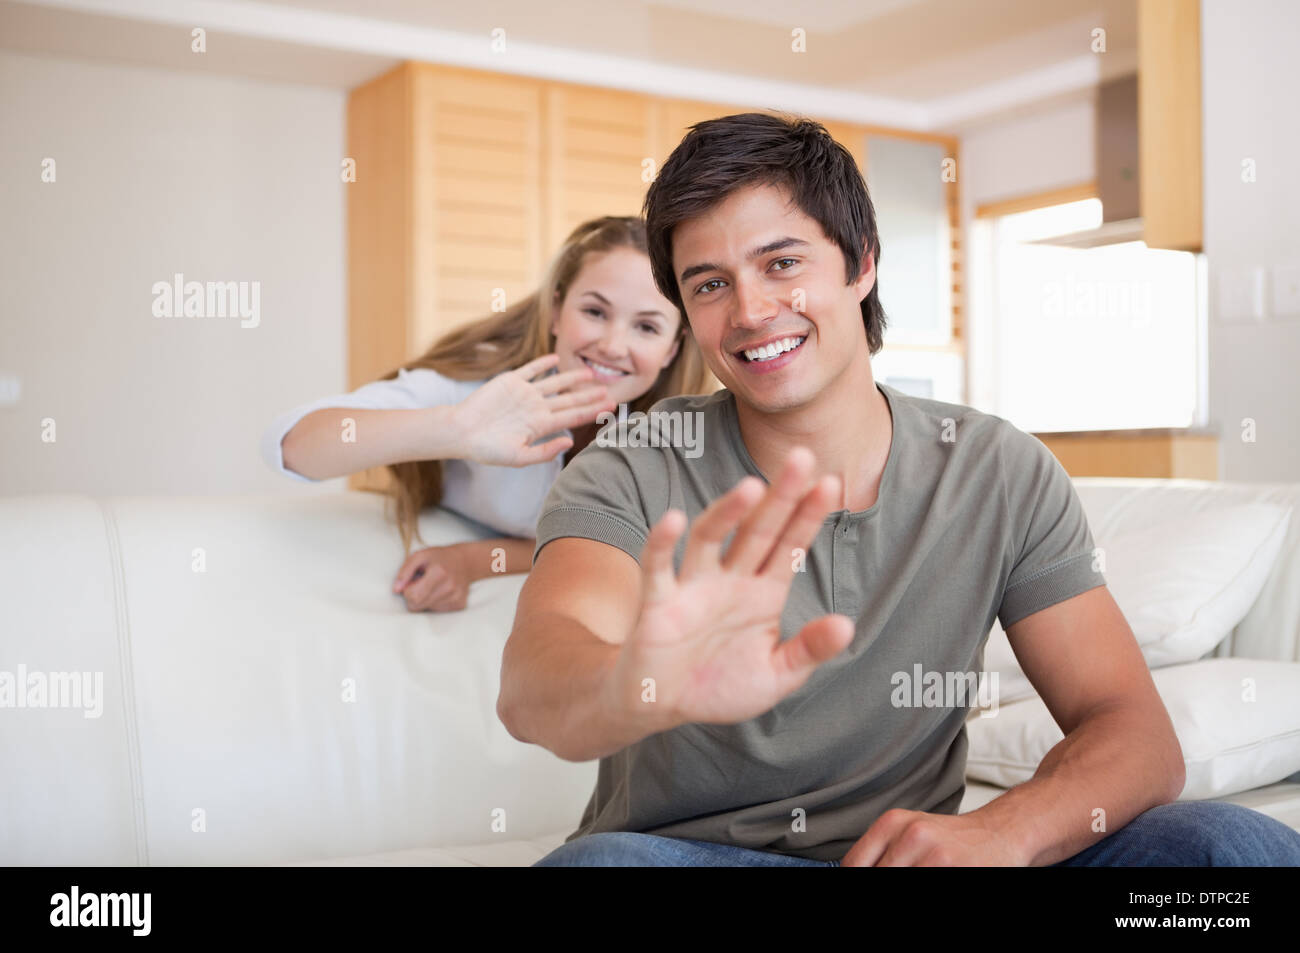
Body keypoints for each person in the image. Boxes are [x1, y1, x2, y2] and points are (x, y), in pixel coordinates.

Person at [498, 113, 1300, 866]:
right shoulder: (638, 458)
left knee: (1226, 848)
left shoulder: (995, 469)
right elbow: (534, 687)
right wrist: (645, 682)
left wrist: (1000, 833)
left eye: (782, 263)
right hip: (693, 857)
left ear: (862, 261)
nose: (750, 310)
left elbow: (1135, 732)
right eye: (709, 285)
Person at [260, 216, 716, 612]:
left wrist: (473, 560)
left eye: (646, 326)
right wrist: (456, 429)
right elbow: (294, 446)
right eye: (595, 311)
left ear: (672, 349)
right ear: (556, 312)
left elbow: (626, 543)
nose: (613, 345)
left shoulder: (674, 436)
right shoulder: (480, 386)